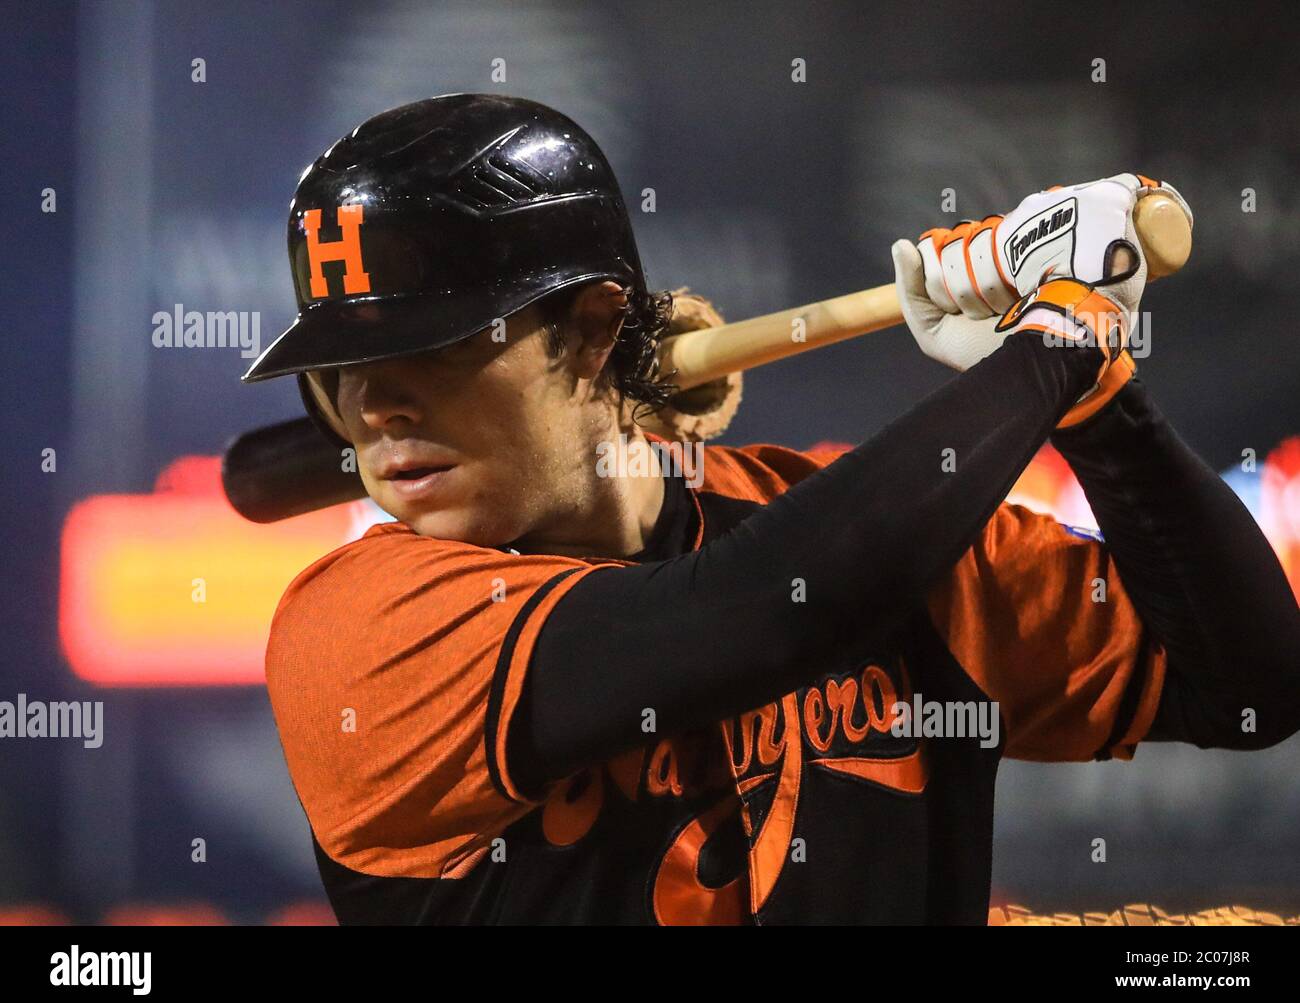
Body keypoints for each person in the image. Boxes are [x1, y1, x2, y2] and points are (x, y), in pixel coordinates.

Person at [243, 94, 1300, 925]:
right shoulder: (355, 632)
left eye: (429, 347)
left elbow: (1251, 686)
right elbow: (764, 615)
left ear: (593, 331)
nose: (373, 405)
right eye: (343, 366)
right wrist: (1049, 347)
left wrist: (1102, 400)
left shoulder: (845, 529)